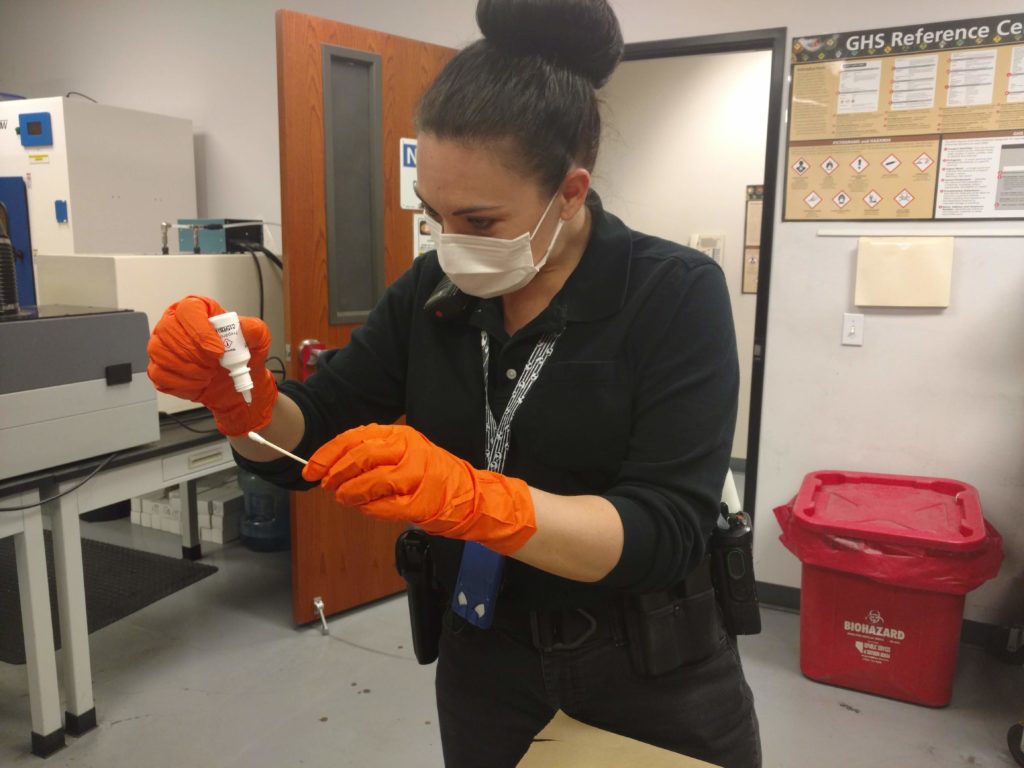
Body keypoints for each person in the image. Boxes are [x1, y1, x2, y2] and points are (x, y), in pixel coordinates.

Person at [146, 0, 761, 765]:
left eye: (480, 221)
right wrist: (242, 401)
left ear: (571, 193)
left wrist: (477, 502)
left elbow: (664, 530)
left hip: (645, 665)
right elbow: (313, 428)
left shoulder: (672, 293)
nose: (449, 243)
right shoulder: (431, 294)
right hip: (485, 654)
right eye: (433, 213)